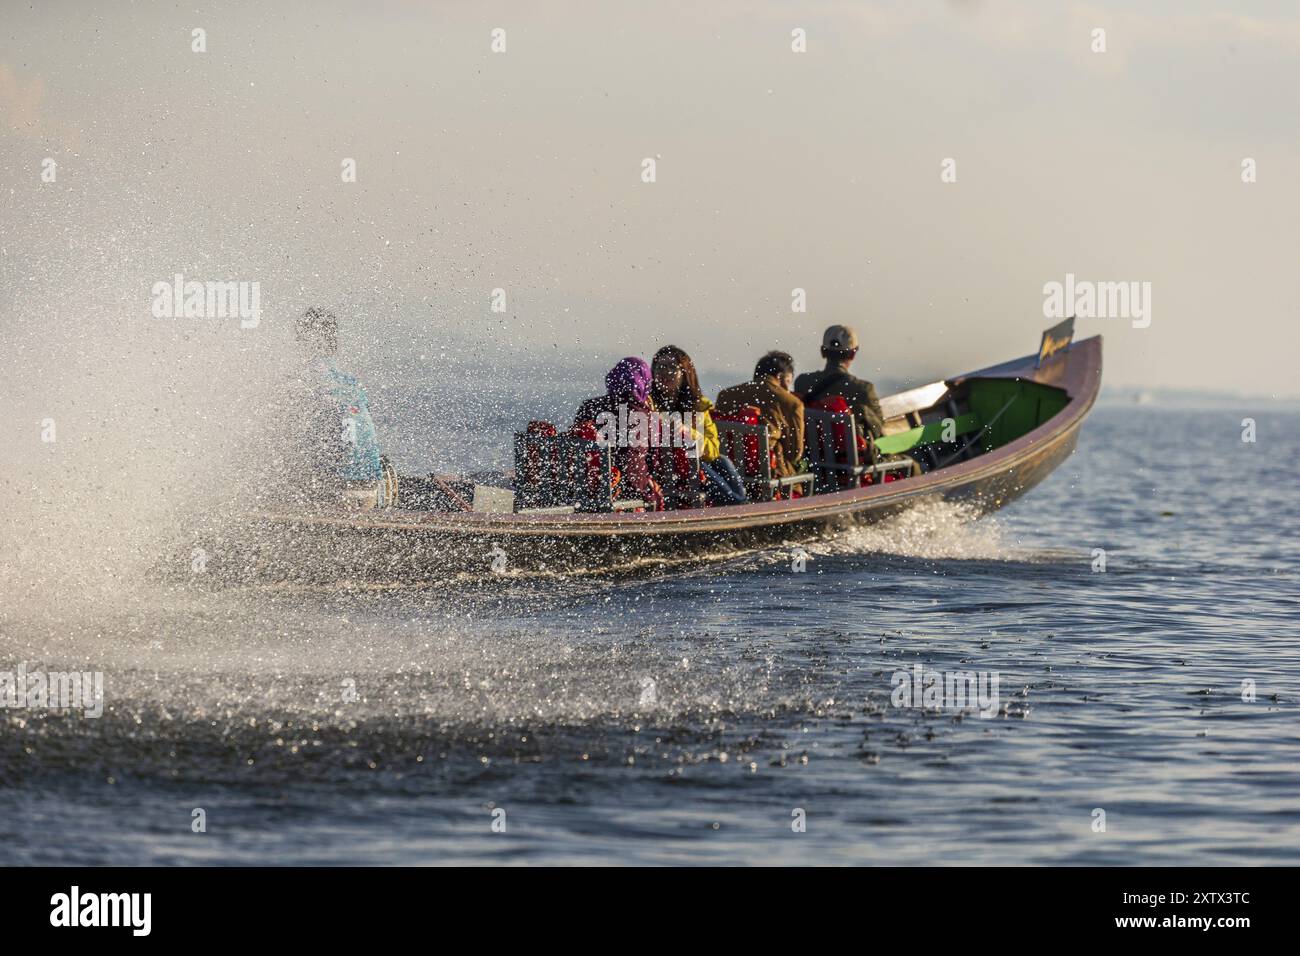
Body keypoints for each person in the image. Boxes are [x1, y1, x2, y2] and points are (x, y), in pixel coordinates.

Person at [291, 307, 394, 508]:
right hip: (370, 481)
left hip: (336, 485)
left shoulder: (303, 379)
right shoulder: (350, 382)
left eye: (298, 339)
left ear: (305, 341)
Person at [650, 345, 747, 506]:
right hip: (670, 468)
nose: (665, 372)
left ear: (685, 373)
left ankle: (740, 506)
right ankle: (737, 506)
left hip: (697, 463)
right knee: (695, 462)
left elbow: (713, 450)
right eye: (660, 367)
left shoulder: (699, 406)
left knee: (721, 460)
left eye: (672, 367)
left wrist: (688, 432)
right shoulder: (650, 404)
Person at [573, 357, 664, 510]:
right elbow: (634, 467)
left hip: (580, 490)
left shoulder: (589, 407)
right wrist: (648, 490)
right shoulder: (643, 415)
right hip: (622, 497)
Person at [715, 351, 805, 478]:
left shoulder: (725, 395)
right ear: (779, 377)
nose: (788, 389)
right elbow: (794, 454)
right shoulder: (792, 403)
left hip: (728, 474)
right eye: (788, 381)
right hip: (770, 478)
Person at [793, 324, 886, 438]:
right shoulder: (863, 389)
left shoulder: (802, 382)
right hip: (851, 454)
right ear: (853, 354)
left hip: (812, 453)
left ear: (823, 351)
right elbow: (879, 429)